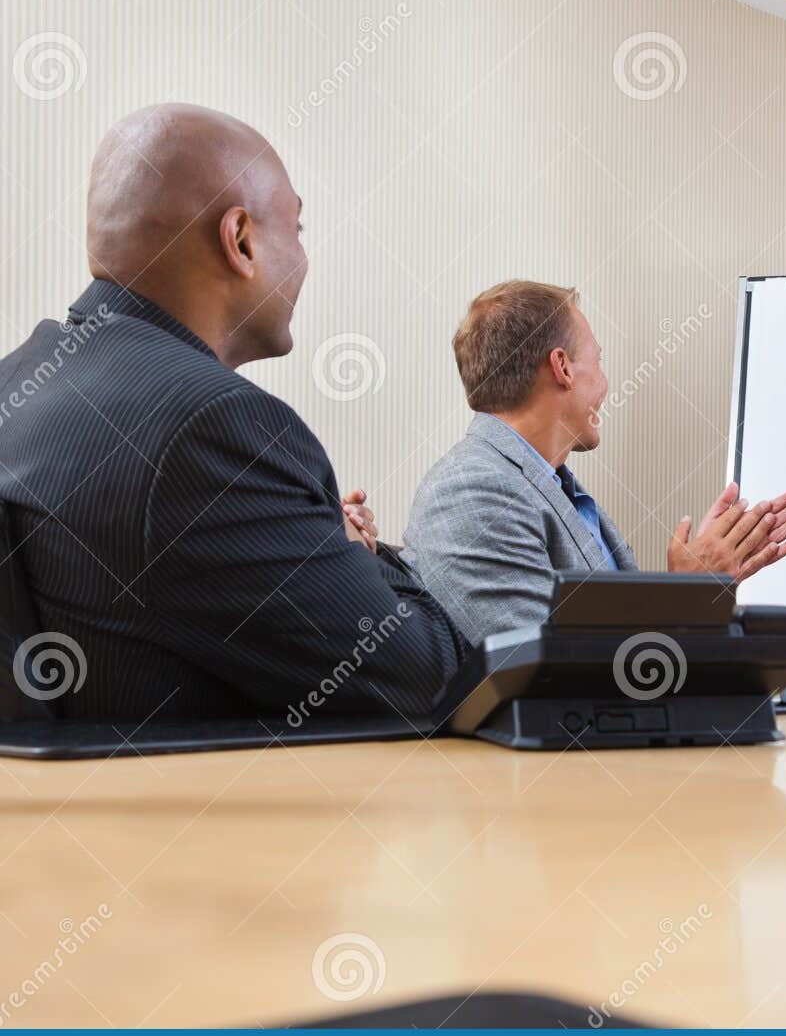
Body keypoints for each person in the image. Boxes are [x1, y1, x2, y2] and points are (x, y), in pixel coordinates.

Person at [0, 104, 469, 721]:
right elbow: (432, 682)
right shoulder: (212, 429)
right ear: (241, 239)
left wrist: (308, 533)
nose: (303, 257)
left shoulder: (18, 380)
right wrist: (362, 554)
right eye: (297, 228)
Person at [403, 281, 786, 643]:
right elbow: (547, 669)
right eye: (597, 361)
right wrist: (688, 593)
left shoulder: (555, 489)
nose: (605, 384)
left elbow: (608, 636)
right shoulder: (471, 492)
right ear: (562, 367)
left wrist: (695, 590)